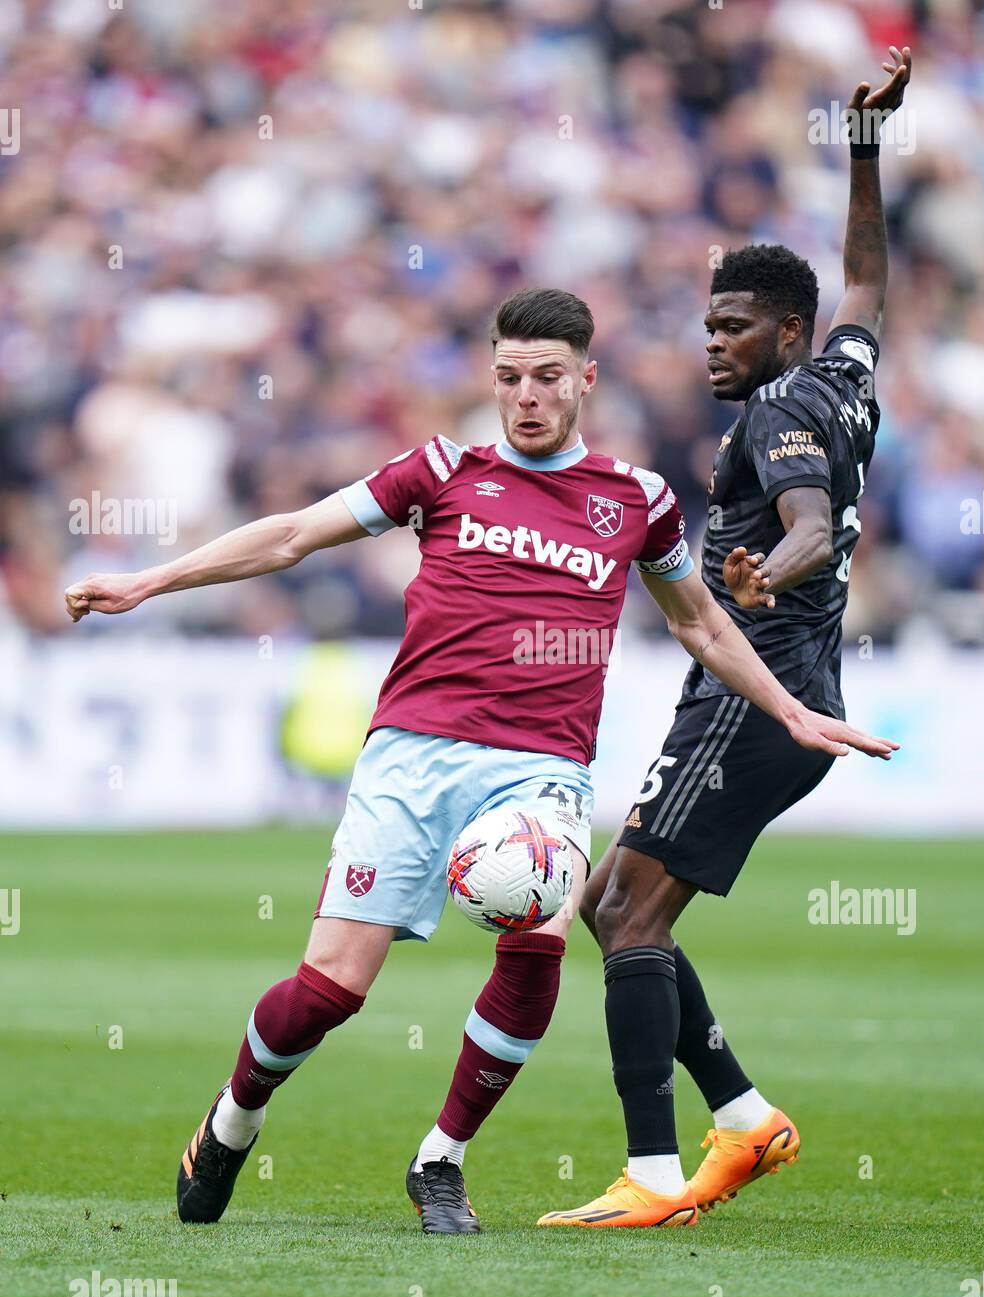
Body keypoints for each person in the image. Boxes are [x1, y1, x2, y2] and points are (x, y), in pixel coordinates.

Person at [65, 287, 896, 1236]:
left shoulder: (638, 500)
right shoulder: (441, 470)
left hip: (540, 769)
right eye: (509, 378)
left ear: (584, 380)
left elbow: (702, 623)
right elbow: (295, 533)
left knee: (537, 947)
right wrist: (153, 578)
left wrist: (791, 710)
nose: (527, 396)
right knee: (329, 990)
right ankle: (234, 1116)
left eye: (546, 378)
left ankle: (441, 1159)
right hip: (412, 758)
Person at [540, 50, 912, 1230]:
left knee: (626, 919)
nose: (713, 343)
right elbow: (868, 279)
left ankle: (654, 1173)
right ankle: (746, 1117)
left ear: (784, 334)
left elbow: (803, 525)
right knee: (612, 907)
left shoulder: (783, 407)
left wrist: (764, 570)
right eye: (708, 323)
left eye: (735, 326)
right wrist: (862, 148)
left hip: (755, 699)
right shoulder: (843, 369)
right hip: (789, 694)